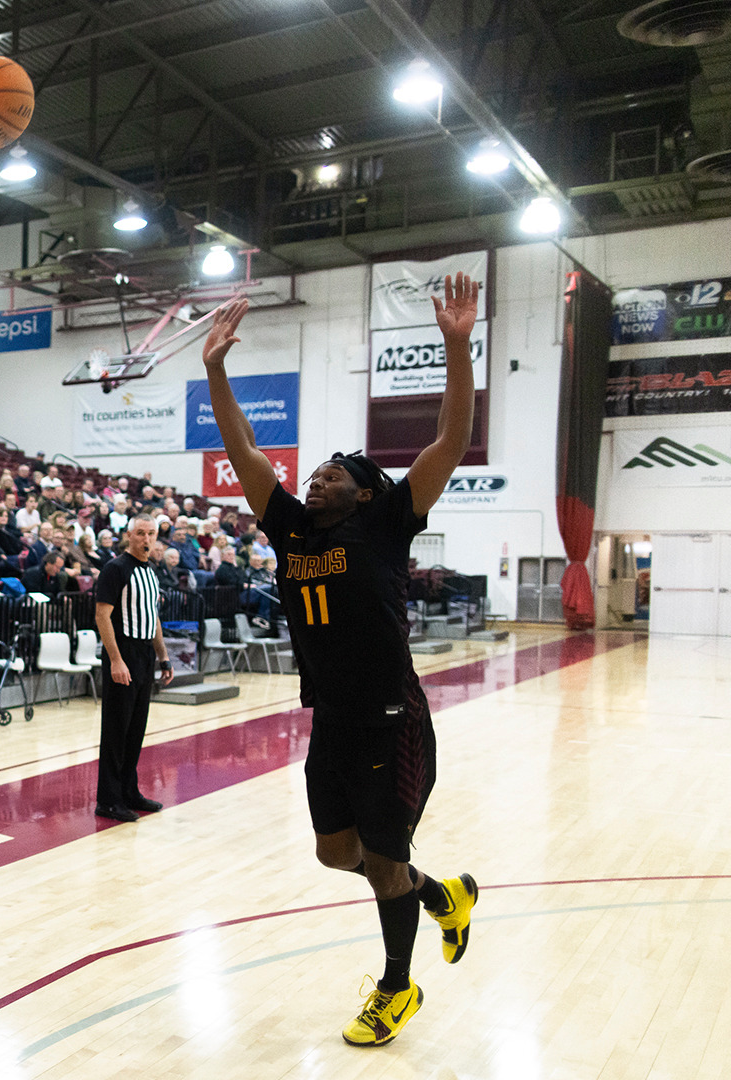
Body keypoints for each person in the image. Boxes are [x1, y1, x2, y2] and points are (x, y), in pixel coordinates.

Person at [203, 283, 479, 1048]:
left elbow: (449, 444)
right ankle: (441, 894)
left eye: (332, 473)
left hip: (394, 721)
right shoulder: (290, 529)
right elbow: (244, 450)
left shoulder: (388, 524)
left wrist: (457, 345)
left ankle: (397, 987)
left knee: (386, 865)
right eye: (315, 471)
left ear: (364, 493)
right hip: (330, 716)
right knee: (336, 853)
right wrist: (217, 372)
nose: (316, 477)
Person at [91, 515, 172, 823]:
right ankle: (108, 800)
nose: (146, 539)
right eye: (140, 533)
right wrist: (115, 660)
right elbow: (102, 616)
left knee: (135, 729)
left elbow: (153, 619)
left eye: (151, 533)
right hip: (122, 652)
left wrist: (162, 656)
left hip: (143, 656)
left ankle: (129, 792)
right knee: (116, 730)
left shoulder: (151, 572)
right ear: (129, 536)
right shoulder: (115, 569)